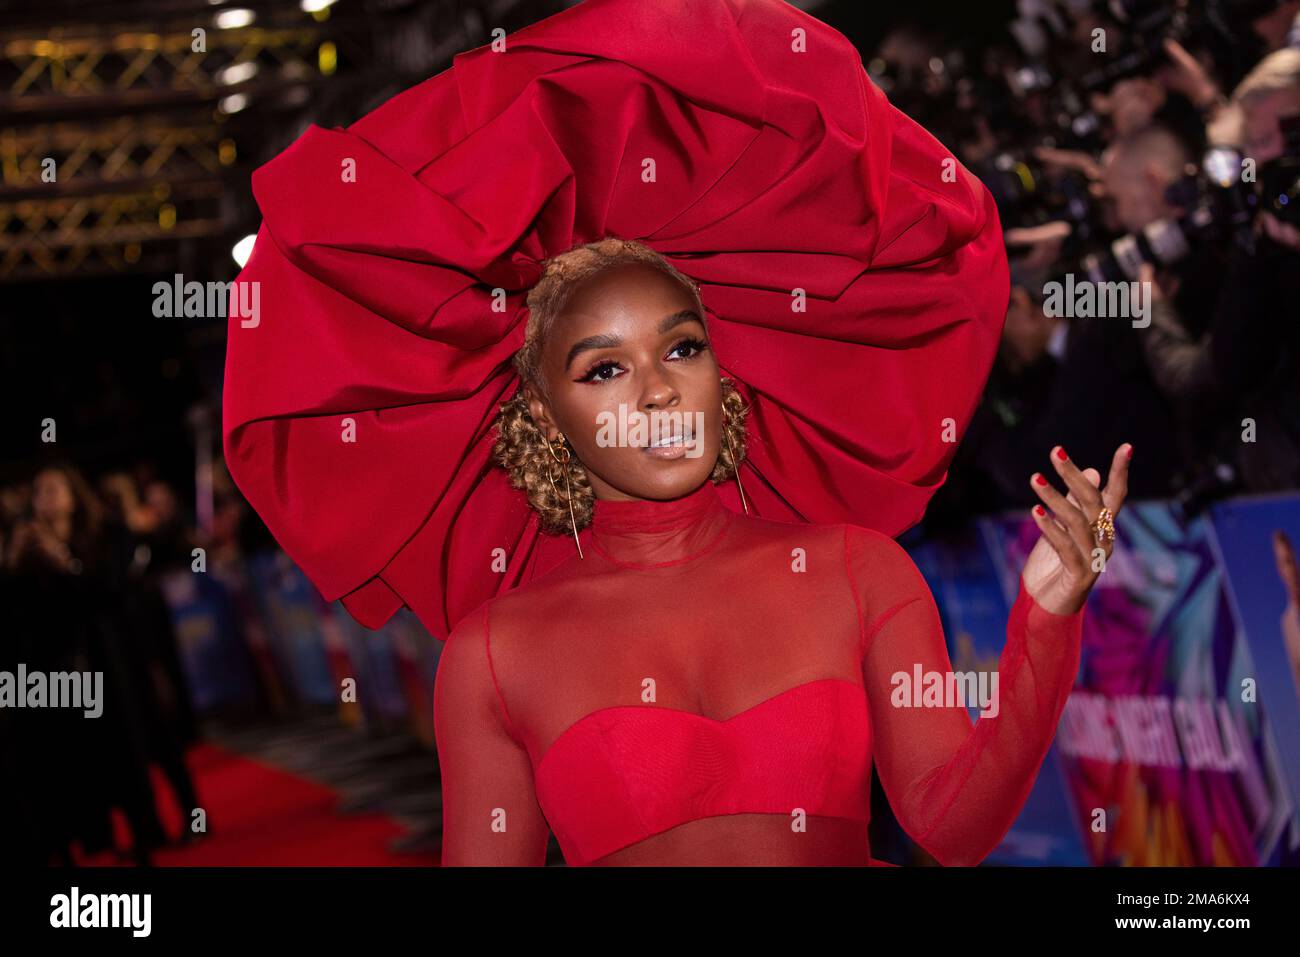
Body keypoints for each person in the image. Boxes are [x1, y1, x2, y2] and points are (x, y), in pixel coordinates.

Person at [221, 0, 1128, 866]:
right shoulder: (495, 652)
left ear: (718, 367)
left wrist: (1046, 616)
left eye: (681, 347)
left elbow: (955, 826)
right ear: (544, 412)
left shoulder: (857, 570)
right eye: (603, 367)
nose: (655, 391)